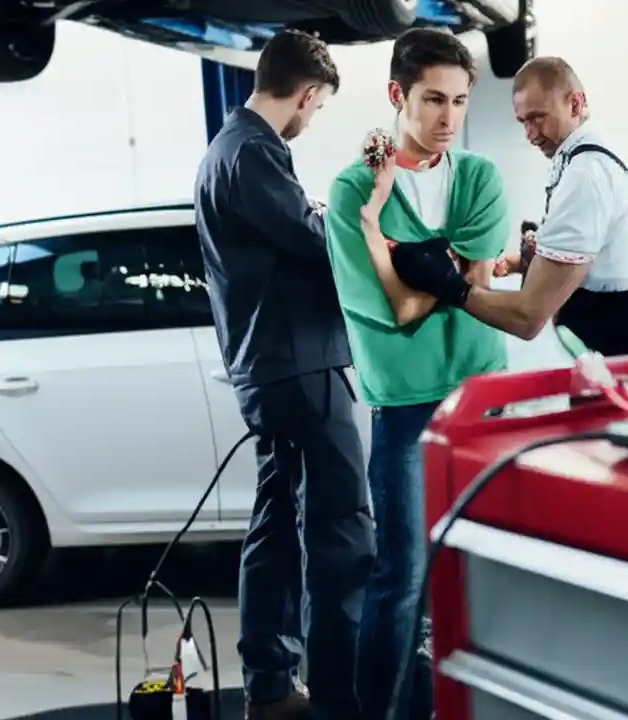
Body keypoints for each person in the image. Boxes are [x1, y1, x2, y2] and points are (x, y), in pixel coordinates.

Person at [323, 27, 509, 720]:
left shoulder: (480, 178)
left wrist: (415, 264)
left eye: (459, 101)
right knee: (401, 572)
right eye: (434, 99)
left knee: (482, 563)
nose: (448, 118)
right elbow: (392, 311)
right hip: (403, 402)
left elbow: (476, 280)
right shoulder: (352, 192)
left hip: (481, 395)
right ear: (397, 94)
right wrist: (446, 269)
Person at [194, 30, 375, 720]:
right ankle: (339, 694)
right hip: (299, 366)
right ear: (306, 93)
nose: (312, 118)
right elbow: (317, 241)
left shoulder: (225, 149)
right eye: (318, 107)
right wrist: (364, 219)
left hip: (268, 367)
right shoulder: (255, 152)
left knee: (276, 524)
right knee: (342, 527)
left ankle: (269, 684)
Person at [389, 56, 628, 357]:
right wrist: (521, 261)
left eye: (537, 118)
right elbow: (598, 258)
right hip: (614, 336)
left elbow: (528, 317)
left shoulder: (585, 174)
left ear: (575, 104)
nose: (530, 135)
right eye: (523, 121)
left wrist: (448, 283)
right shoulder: (590, 154)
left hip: (618, 350)